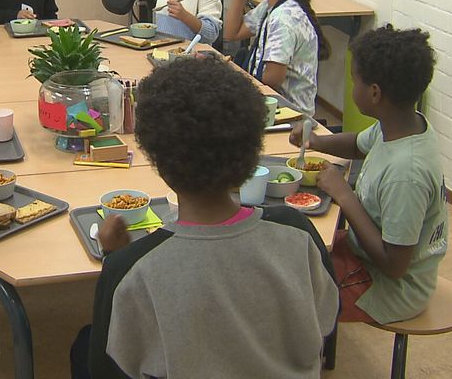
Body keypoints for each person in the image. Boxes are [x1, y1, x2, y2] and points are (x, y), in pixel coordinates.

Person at [73, 58, 338, 378]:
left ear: (157, 160)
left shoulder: (130, 269)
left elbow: (110, 368)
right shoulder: (297, 231)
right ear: (251, 153)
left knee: (83, 346)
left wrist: (117, 256)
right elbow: (325, 322)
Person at [289, 25, 447, 325]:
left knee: (289, 294)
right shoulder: (401, 124)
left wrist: (344, 194)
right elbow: (358, 144)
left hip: (391, 289)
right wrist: (317, 142)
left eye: (354, 81)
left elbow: (394, 265)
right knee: (292, 250)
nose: (352, 88)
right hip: (365, 254)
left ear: (374, 92)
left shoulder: (406, 173)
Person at [223, 0, 328, 118]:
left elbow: (272, 79)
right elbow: (231, 33)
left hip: (287, 111)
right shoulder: (270, 6)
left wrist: (238, 81)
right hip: (267, 99)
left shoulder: (284, 18)